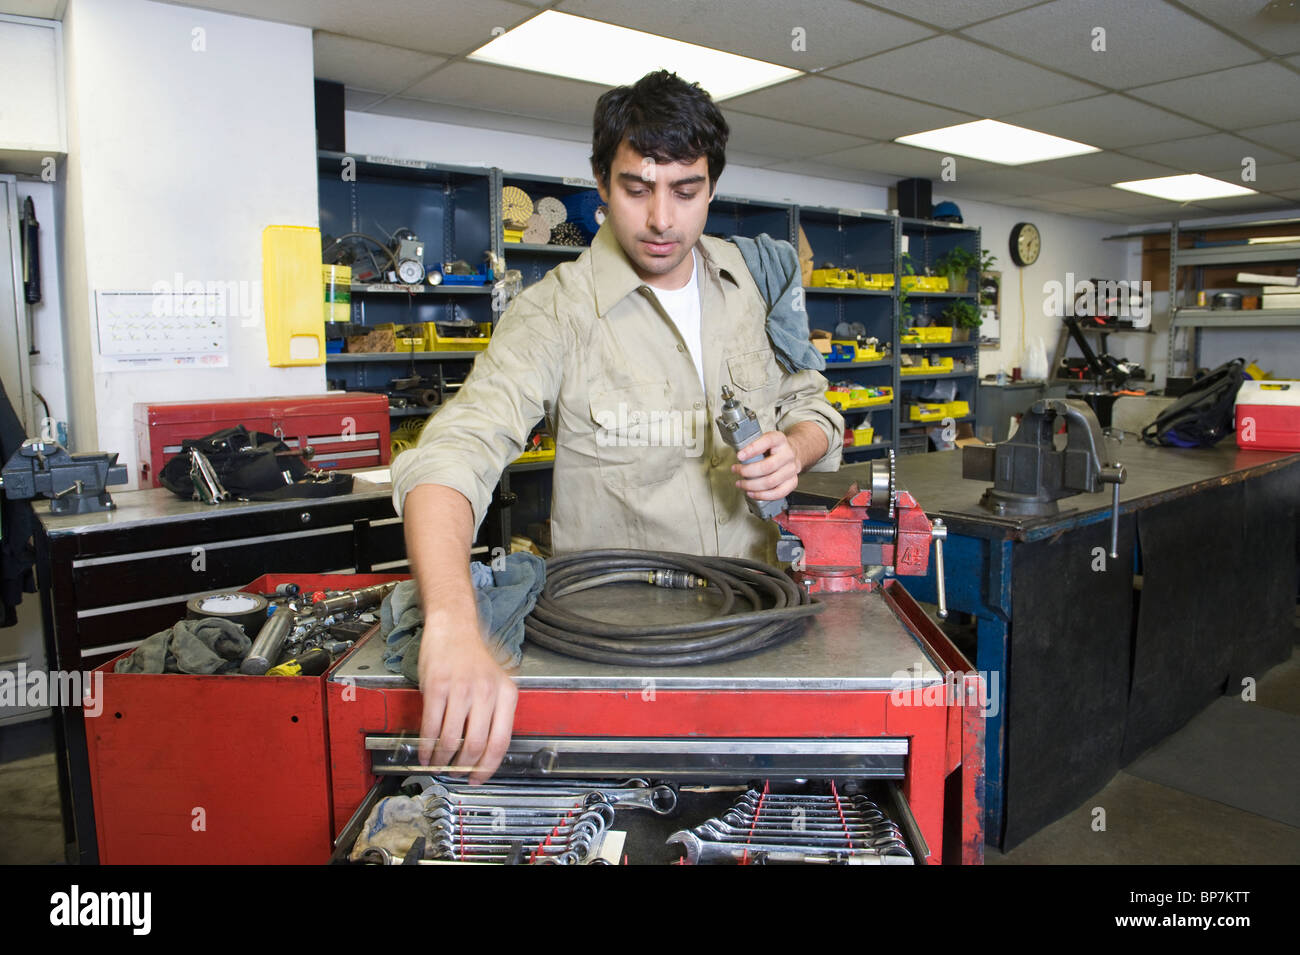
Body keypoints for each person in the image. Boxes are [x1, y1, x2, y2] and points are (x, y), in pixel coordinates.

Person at [390, 70, 843, 782]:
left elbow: (813, 402)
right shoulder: (556, 312)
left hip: (757, 625)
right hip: (621, 656)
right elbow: (455, 451)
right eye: (637, 188)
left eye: (685, 191)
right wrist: (450, 623)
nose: (662, 218)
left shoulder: (748, 280)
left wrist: (797, 446)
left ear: (712, 188)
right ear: (601, 184)